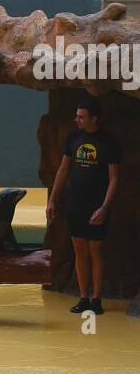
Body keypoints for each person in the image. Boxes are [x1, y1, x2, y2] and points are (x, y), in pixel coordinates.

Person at [46, 99, 121, 315]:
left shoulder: (108, 143)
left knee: (95, 250)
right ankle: (83, 297)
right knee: (79, 250)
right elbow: (63, 170)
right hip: (75, 204)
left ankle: (97, 299)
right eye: (76, 115)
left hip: (97, 205)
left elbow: (114, 178)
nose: (76, 119)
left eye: (81, 116)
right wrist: (53, 199)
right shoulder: (73, 139)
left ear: (94, 119)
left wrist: (105, 207)